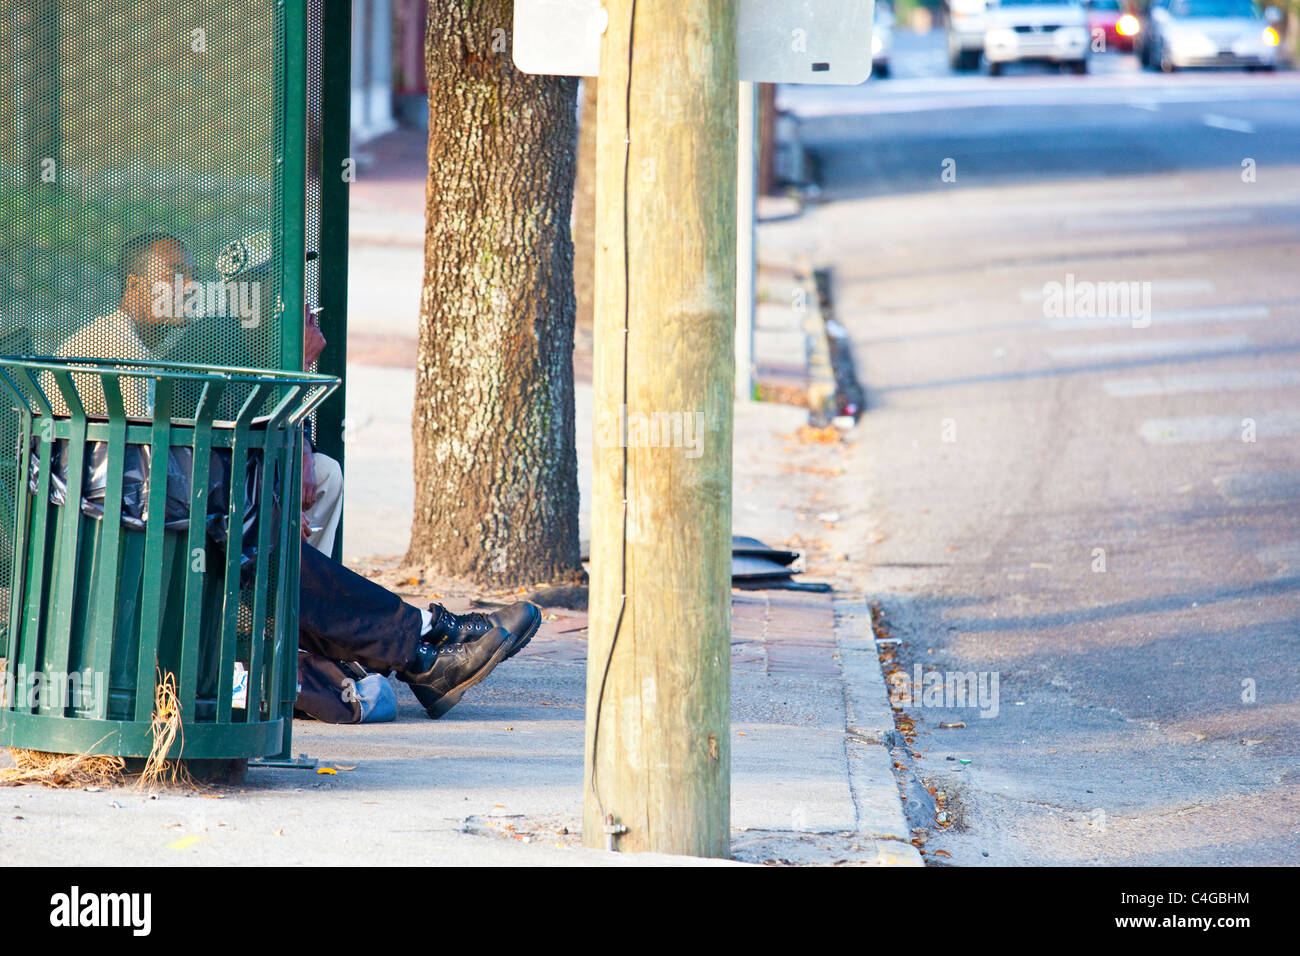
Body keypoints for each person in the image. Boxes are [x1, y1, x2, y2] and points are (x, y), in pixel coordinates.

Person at [54, 233, 540, 721]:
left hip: (142, 525)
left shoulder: (152, 340)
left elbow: (186, 464)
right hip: (122, 549)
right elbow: (166, 470)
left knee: (278, 541)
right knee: (269, 551)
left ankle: (422, 649)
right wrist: (260, 507)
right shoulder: (123, 347)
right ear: (136, 286)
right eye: (172, 279)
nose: (187, 288)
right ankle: (424, 644)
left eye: (190, 277)